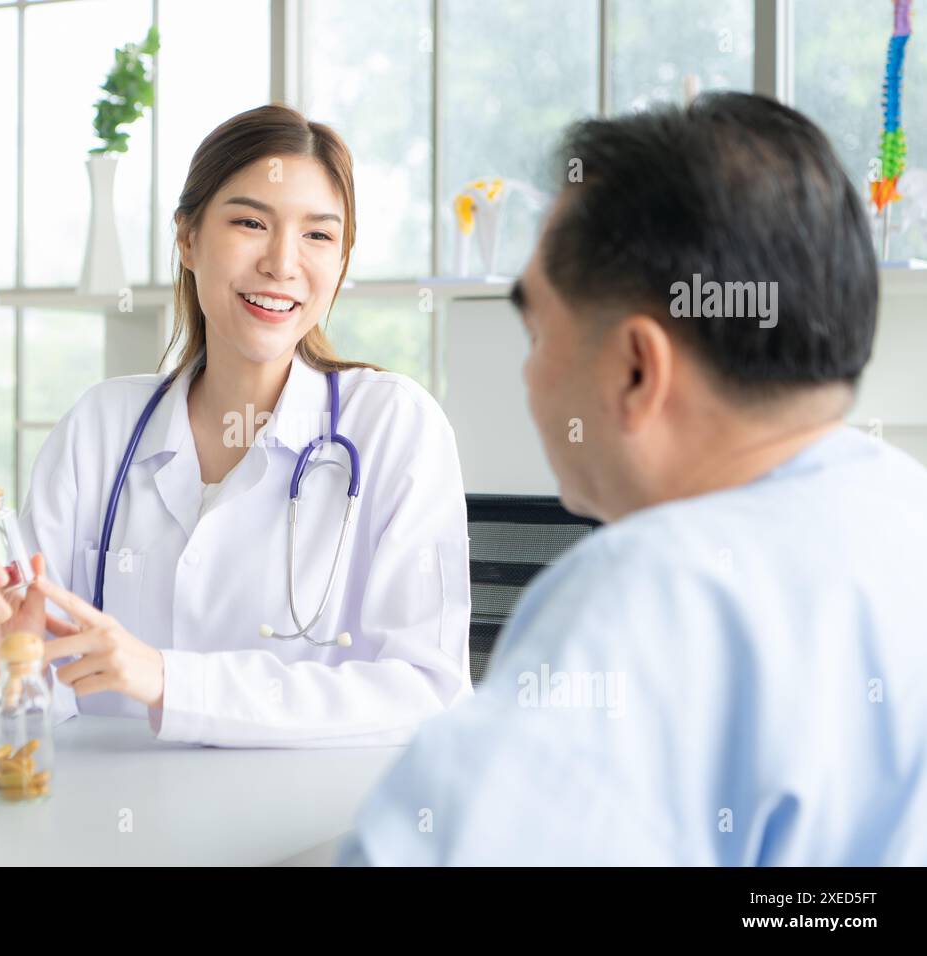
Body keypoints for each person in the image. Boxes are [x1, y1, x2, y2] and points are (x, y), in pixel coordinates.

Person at [343, 92, 927, 864]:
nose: (529, 375)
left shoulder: (650, 591)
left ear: (635, 368)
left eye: (537, 331)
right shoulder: (903, 509)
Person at [0, 104, 473, 747]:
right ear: (187, 239)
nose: (282, 262)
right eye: (249, 222)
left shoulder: (395, 427)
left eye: (318, 235)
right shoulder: (102, 428)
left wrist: (168, 682)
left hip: (305, 838)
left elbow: (425, 693)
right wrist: (1, 677)